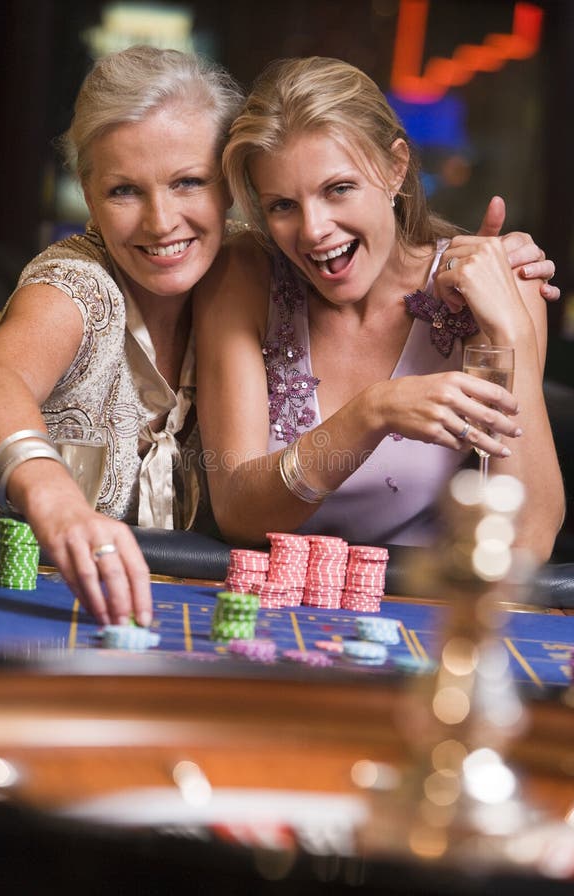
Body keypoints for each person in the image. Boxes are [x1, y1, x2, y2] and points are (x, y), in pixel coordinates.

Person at [195, 56, 564, 562]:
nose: (313, 230)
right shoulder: (245, 276)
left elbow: (524, 545)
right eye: (283, 205)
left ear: (395, 168)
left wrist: (510, 326)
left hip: (416, 610)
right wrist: (375, 410)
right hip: (265, 597)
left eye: (338, 189)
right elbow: (240, 511)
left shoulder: (493, 288)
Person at [0, 45, 244, 625]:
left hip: (169, 615)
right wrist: (54, 497)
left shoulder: (249, 276)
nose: (161, 221)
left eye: (189, 182)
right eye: (125, 190)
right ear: (88, 192)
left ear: (230, 184)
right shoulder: (76, 284)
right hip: (10, 600)